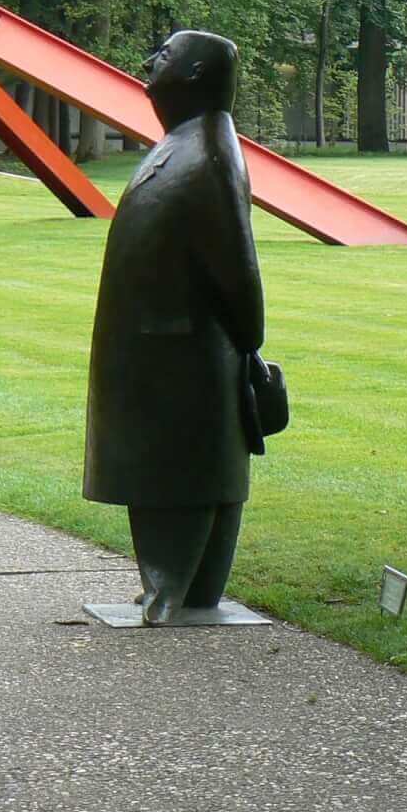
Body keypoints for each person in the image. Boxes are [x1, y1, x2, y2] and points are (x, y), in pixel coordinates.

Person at [83, 30, 264, 624]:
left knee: (180, 463)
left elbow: (236, 263)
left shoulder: (207, 154)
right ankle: (176, 584)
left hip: (181, 348)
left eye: (162, 55)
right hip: (162, 346)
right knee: (169, 462)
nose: (146, 62)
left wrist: (248, 338)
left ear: (192, 74)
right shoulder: (186, 145)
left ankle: (176, 585)